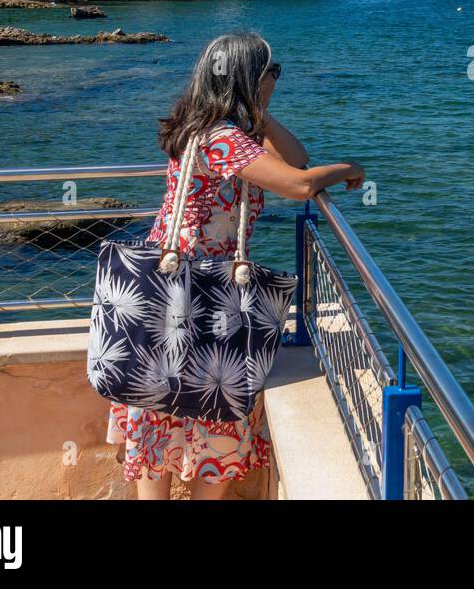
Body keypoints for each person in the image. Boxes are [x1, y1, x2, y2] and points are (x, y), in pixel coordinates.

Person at [106, 31, 364, 500]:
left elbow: (295, 156)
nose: (277, 80)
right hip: (202, 290)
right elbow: (301, 182)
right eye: (272, 72)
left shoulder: (206, 125)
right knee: (218, 407)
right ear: (248, 77)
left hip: (169, 284)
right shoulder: (224, 139)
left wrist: (257, 109)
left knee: (157, 404)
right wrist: (349, 168)